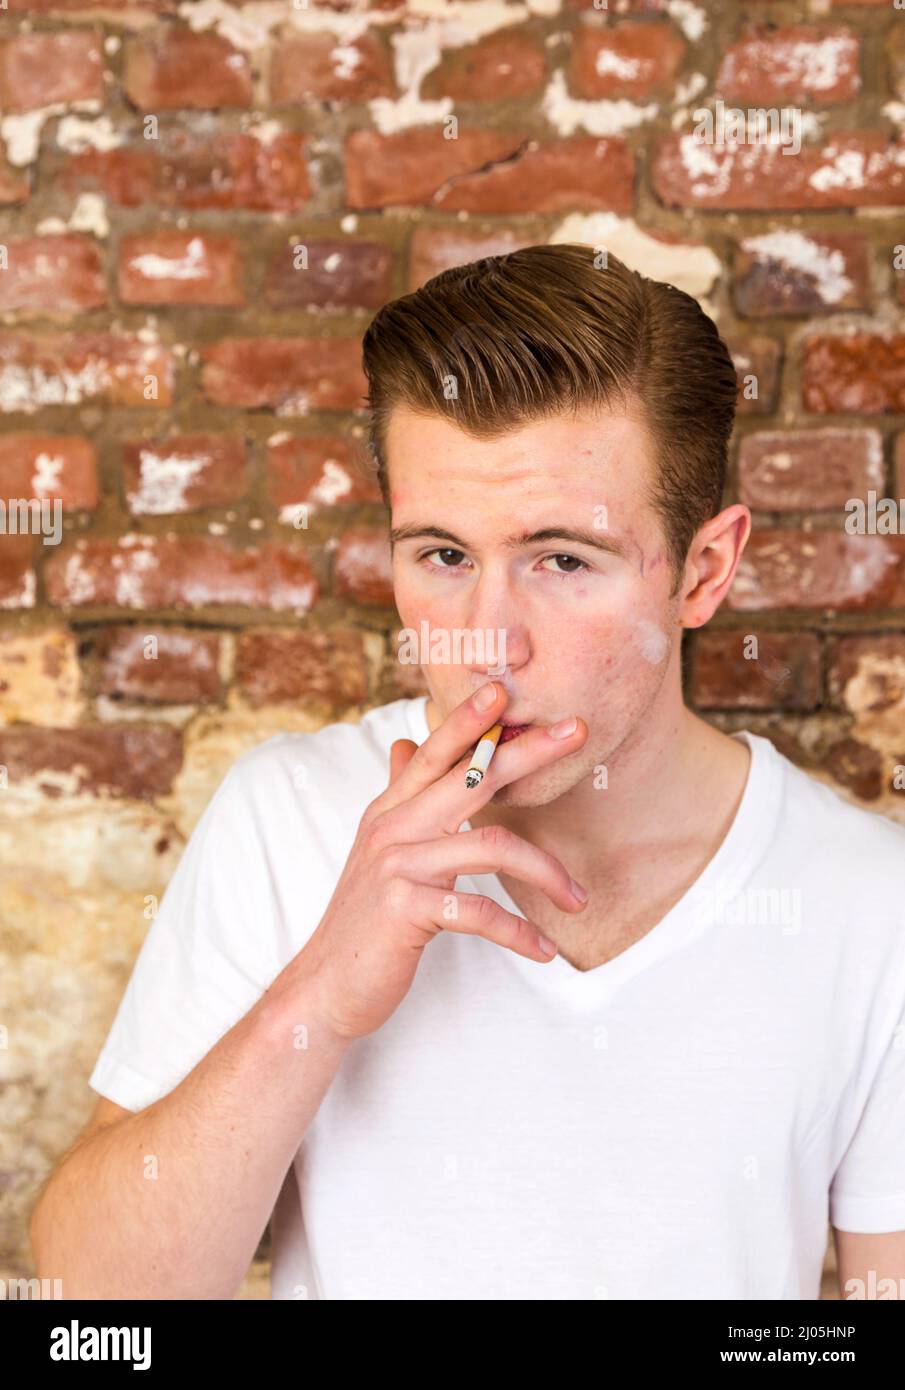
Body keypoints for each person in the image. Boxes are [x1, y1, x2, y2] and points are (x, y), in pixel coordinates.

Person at [30, 245, 905, 1300]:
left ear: (703, 571)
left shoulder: (866, 902)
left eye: (562, 559)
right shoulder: (289, 814)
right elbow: (94, 1301)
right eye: (442, 555)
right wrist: (318, 993)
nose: (483, 645)